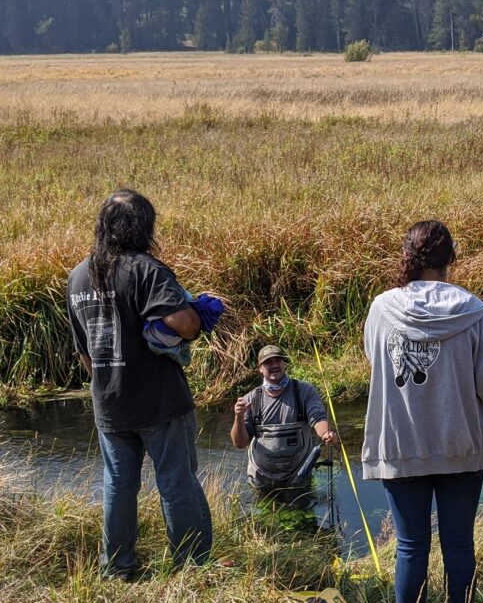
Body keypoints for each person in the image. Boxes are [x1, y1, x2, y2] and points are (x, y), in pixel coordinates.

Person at [362, 220, 483, 603]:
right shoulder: (474, 312)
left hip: (400, 444)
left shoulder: (381, 308)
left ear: (407, 257)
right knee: (459, 545)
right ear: (451, 258)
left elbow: (374, 360)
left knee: (411, 546)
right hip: (460, 443)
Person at [66, 188, 225, 579]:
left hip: (110, 401)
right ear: (142, 228)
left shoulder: (78, 276)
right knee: (176, 482)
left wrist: (108, 381)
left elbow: (84, 353)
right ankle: (191, 566)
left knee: (119, 485)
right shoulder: (145, 269)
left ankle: (117, 569)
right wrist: (198, 316)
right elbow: (183, 324)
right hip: (159, 399)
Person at [230, 345, 339, 504]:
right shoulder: (250, 399)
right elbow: (239, 444)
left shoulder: (305, 391)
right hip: (261, 480)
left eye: (278, 360)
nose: (274, 365)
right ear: (260, 368)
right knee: (265, 518)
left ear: (284, 364)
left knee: (300, 516)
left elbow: (318, 417)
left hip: (298, 477)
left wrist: (326, 433)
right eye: (268, 362)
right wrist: (238, 417)